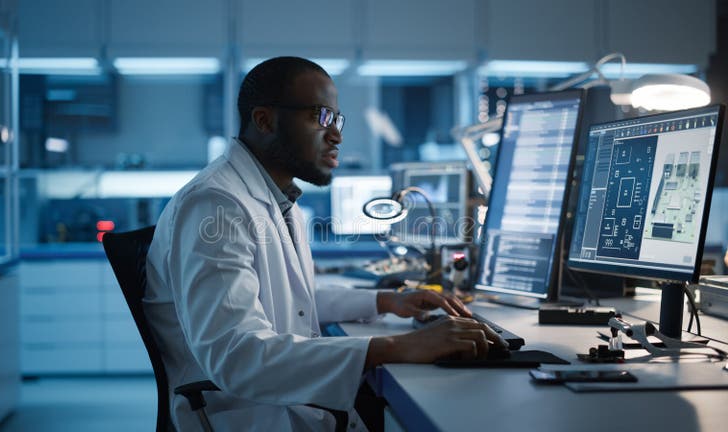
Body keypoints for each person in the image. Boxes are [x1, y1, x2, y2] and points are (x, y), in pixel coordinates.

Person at [145, 56, 507, 431]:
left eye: (337, 119)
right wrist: (399, 347)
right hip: (252, 415)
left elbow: (289, 300)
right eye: (320, 116)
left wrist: (386, 301)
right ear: (264, 120)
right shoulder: (215, 204)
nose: (336, 134)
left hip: (286, 401)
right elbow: (237, 356)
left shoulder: (276, 199)